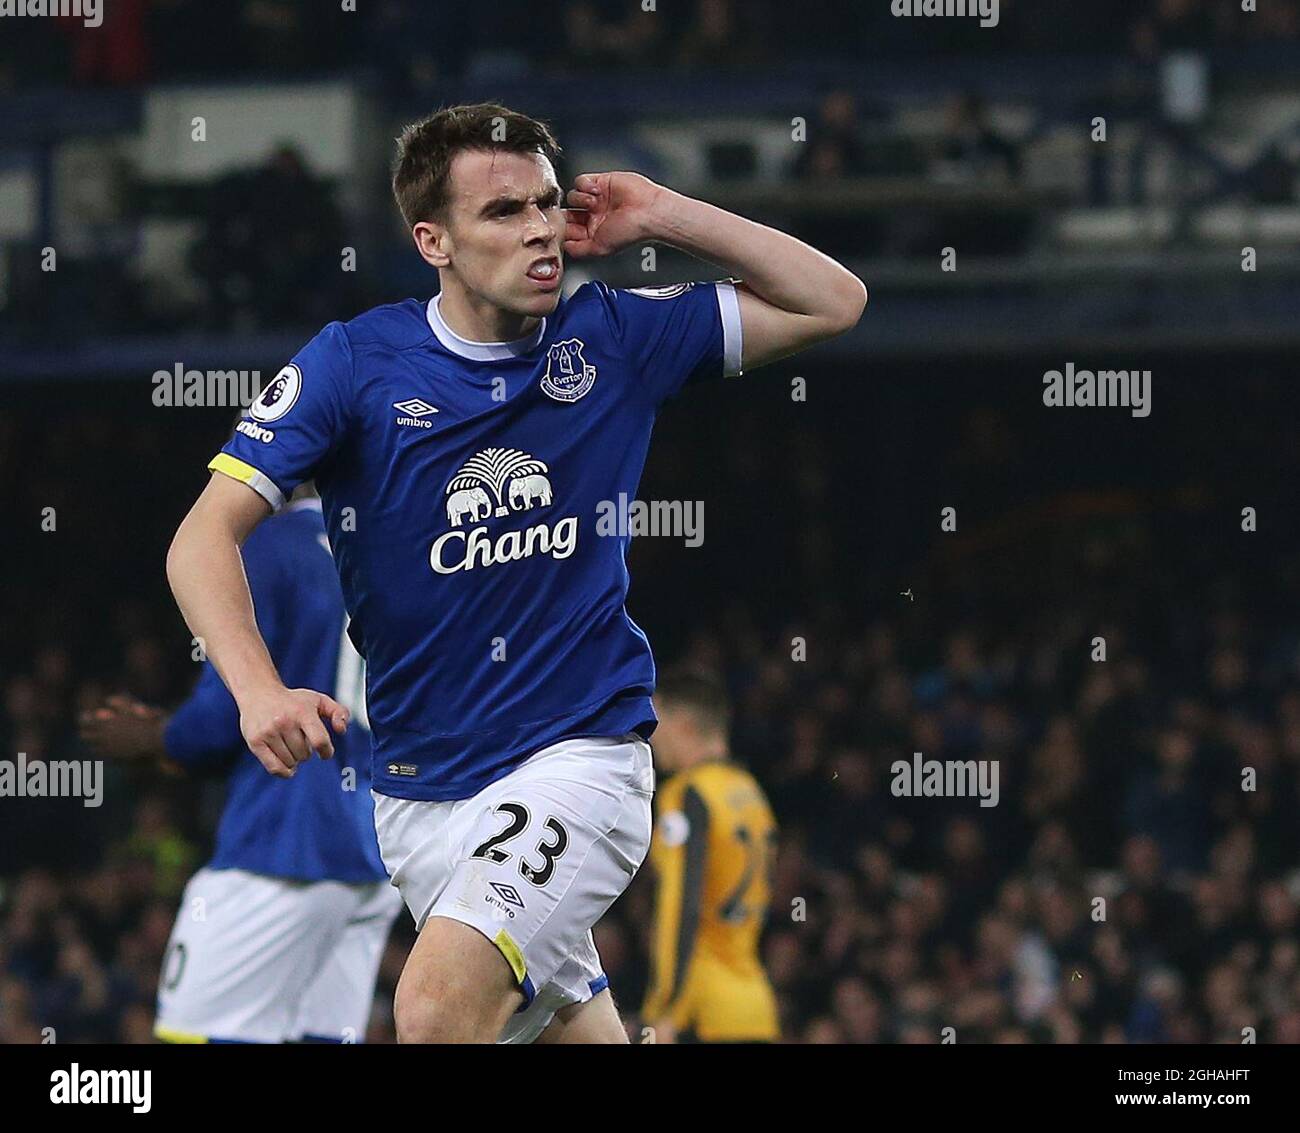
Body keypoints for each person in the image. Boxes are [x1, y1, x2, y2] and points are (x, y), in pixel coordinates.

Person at [164, 101, 867, 1044]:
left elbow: (834, 299)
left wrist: (661, 213)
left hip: (577, 759)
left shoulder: (611, 338)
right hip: (417, 800)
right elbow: (200, 539)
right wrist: (256, 690)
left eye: (545, 202)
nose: (539, 227)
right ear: (434, 240)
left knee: (432, 1007)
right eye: (501, 212)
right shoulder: (354, 365)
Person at [82, 485, 400, 1043]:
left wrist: (156, 737)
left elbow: (229, 708)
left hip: (282, 842)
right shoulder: (392, 547)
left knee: (195, 1036)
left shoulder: (266, 545)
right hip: (378, 847)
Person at [641, 669, 780, 1043]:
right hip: (754, 1006)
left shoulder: (688, 795)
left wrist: (667, 1010)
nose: (651, 736)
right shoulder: (750, 793)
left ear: (684, 725)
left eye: (657, 721)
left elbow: (681, 904)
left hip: (701, 1013)